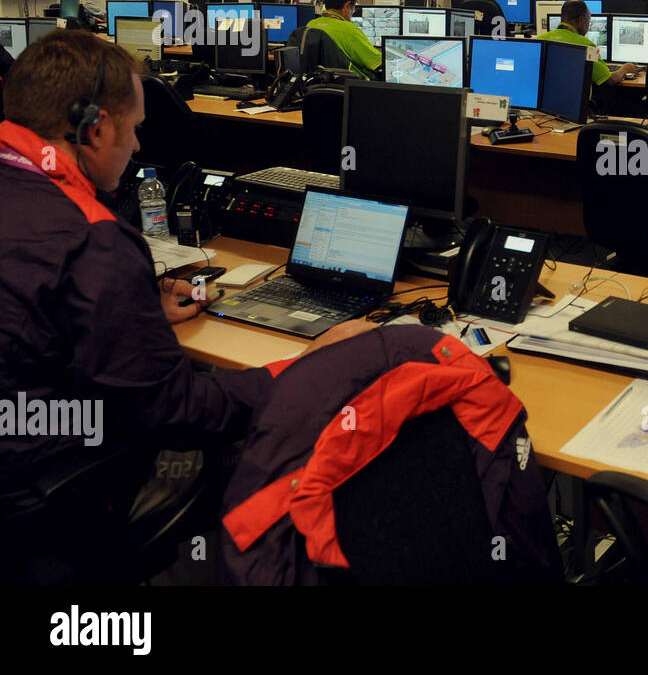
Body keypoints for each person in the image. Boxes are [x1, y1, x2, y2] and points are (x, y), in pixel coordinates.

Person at [0, 30, 376, 532]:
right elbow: (179, 412)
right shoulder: (93, 242)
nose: (136, 145)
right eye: (134, 129)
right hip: (41, 485)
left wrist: (137, 311)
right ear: (94, 130)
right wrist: (305, 367)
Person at [538, 0, 636, 84]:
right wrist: (626, 68)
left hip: (544, 102)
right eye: (588, 22)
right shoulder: (587, 46)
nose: (588, 27)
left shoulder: (539, 40)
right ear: (581, 20)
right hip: (575, 103)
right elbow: (610, 79)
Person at [302, 0, 381, 79]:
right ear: (347, 6)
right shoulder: (349, 29)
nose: (352, 13)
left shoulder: (311, 25)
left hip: (317, 87)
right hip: (351, 87)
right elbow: (377, 63)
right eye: (353, 9)